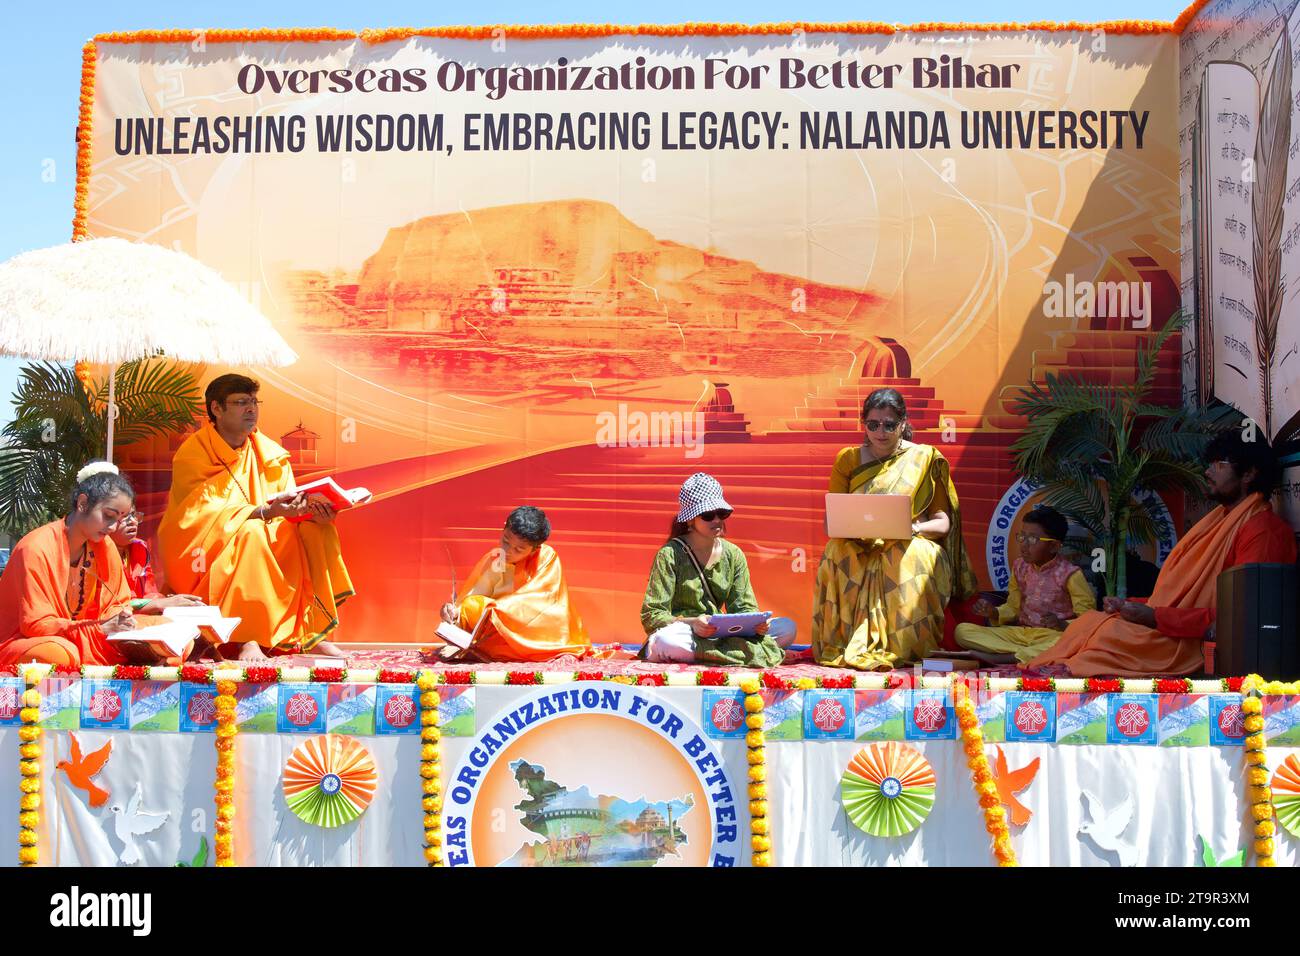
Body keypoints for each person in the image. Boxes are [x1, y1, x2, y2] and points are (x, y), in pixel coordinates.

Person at [1026, 430, 1297, 676]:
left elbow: (1239, 616)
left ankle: (1063, 674)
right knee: (1093, 621)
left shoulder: (1263, 531)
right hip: (1176, 628)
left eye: (1219, 464)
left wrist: (1154, 617)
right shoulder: (1219, 520)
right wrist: (1137, 606)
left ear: (1249, 473)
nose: (1207, 471)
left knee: (1109, 634)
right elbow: (1181, 597)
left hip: (1196, 644)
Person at [158, 374, 354, 660]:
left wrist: (314, 513)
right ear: (216, 409)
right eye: (240, 402)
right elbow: (198, 514)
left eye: (253, 402)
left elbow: (287, 502)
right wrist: (262, 513)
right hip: (206, 547)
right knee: (252, 533)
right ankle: (247, 637)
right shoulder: (194, 453)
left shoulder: (269, 452)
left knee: (314, 530)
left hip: (265, 531)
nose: (251, 409)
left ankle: (308, 633)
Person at [812, 388, 977, 670]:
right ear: (863, 424)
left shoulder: (925, 458)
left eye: (889, 425)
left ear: (903, 423)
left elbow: (942, 521)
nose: (881, 432)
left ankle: (907, 646)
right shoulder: (848, 460)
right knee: (837, 549)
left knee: (914, 553)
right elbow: (832, 521)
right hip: (860, 544)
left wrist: (913, 528)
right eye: (873, 424)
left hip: (906, 541)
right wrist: (853, 529)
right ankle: (843, 641)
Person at [0, 463, 175, 667]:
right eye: (109, 516)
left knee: (169, 631)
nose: (113, 527)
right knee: (61, 654)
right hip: (30, 640)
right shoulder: (35, 548)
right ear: (82, 504)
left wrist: (121, 621)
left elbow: (116, 604)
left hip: (90, 636)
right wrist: (99, 629)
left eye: (120, 519)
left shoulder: (104, 545)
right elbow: (37, 625)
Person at [640, 473, 795, 665]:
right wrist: (693, 623)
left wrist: (756, 625)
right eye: (707, 515)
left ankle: (718, 655)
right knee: (667, 641)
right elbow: (652, 616)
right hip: (685, 632)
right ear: (689, 520)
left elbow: (743, 607)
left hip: (721, 634)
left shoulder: (733, 553)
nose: (716, 520)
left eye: (721, 513)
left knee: (787, 628)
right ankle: (757, 654)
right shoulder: (670, 554)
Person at [439, 506, 589, 661]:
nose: (508, 550)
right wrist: (455, 612)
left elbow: (542, 604)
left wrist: (495, 610)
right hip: (498, 632)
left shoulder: (547, 557)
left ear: (534, 549)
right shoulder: (495, 558)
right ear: (504, 527)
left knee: (481, 608)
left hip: (537, 633)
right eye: (505, 541)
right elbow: (474, 598)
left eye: (519, 549)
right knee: (472, 605)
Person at [954, 505, 1096, 663]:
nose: (1024, 544)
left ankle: (1006, 657)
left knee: (1071, 642)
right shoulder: (1019, 567)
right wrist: (994, 612)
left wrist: (1062, 624)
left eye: (1033, 539)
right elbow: (1012, 608)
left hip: (1052, 635)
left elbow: (1087, 620)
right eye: (1022, 536)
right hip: (1019, 634)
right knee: (962, 631)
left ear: (1053, 546)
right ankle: (1022, 655)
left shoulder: (1070, 574)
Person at [108, 508, 206, 614]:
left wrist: (168, 601)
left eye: (133, 514)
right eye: (123, 516)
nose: (132, 521)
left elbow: (149, 592)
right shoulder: (98, 554)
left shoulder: (140, 549)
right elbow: (111, 605)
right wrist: (160, 604)